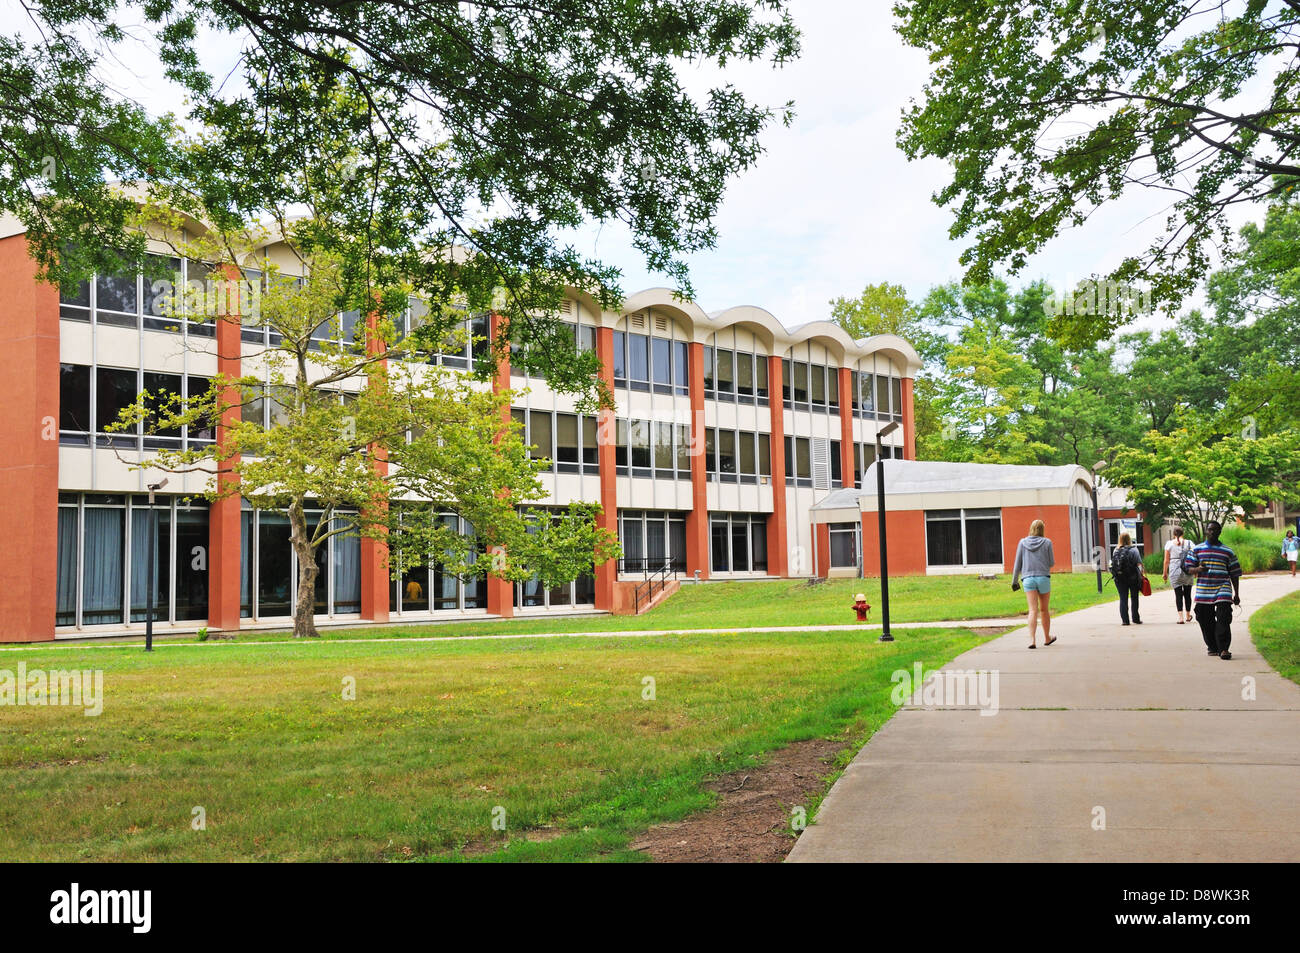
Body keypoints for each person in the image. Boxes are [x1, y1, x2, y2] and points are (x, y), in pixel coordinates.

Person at [1185, 520, 1242, 659]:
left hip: (1223, 588)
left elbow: (1235, 573)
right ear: (1206, 531)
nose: (1212, 532)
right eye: (1210, 529)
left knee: (1223, 618)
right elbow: (1188, 568)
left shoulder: (1227, 551)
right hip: (1204, 589)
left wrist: (1236, 594)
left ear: (1219, 532)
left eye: (1215, 530)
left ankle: (1223, 649)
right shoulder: (1197, 549)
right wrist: (1198, 569)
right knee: (1203, 617)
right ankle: (1212, 646)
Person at [1011, 519, 1056, 649]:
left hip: (1028, 579)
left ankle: (1032, 640)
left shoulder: (1022, 543)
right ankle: (1047, 638)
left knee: (1032, 610)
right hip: (1043, 578)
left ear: (1031, 528)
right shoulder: (1047, 542)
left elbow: (1017, 564)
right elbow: (1051, 562)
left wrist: (1014, 581)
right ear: (1043, 530)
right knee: (1044, 609)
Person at [1110, 532, 1144, 625]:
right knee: (1134, 597)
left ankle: (1125, 620)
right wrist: (1142, 575)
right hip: (1132, 577)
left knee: (1123, 598)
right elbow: (1139, 564)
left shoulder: (1116, 550)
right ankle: (1135, 618)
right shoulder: (1134, 550)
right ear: (1129, 539)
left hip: (1119, 578)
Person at [1163, 527, 1195, 623]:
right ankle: (1188, 615)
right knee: (1187, 594)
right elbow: (1196, 556)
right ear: (1183, 533)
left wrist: (1164, 573)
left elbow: (1166, 560)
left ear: (1173, 534)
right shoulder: (1189, 543)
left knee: (1178, 594)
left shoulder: (1169, 544)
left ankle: (1180, 618)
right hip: (1187, 569)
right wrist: (1196, 571)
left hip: (1174, 569)